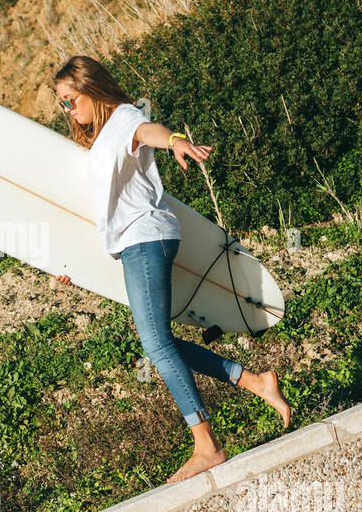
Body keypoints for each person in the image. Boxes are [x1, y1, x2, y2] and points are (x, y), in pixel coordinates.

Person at [50, 55, 291, 483]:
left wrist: (176, 140)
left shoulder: (123, 118)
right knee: (160, 344)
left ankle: (207, 445)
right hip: (132, 243)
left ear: (92, 89)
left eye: (71, 100)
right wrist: (72, 265)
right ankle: (256, 382)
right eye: (62, 105)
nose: (69, 111)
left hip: (145, 237)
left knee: (157, 345)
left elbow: (148, 131)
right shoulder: (102, 138)